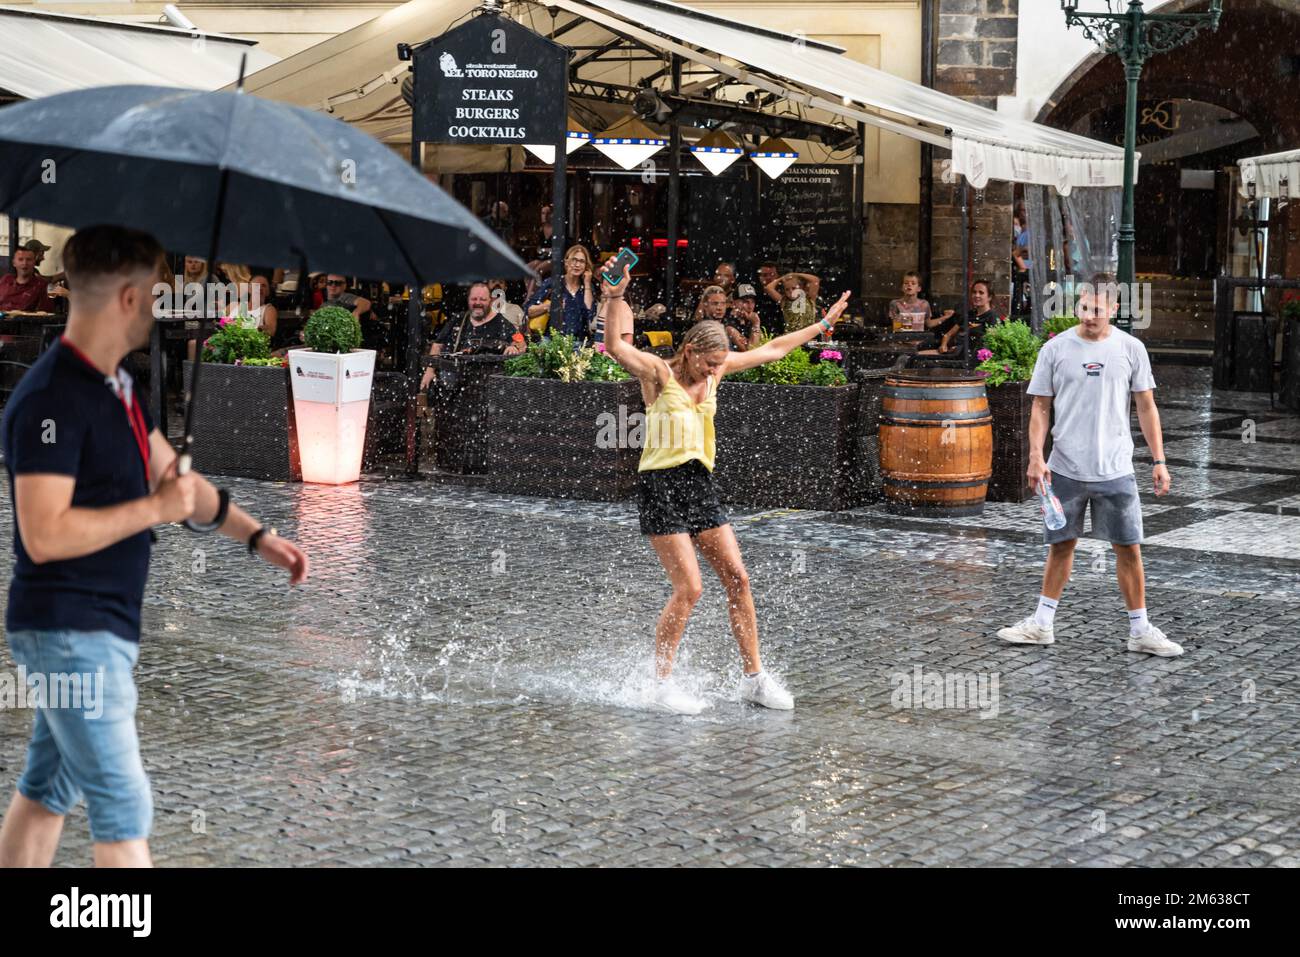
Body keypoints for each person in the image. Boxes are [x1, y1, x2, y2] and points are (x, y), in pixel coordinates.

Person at [0, 225, 310, 868]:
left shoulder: (117, 387)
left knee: (47, 790)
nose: (163, 303)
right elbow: (45, 533)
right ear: (128, 298)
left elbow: (179, 484)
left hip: (92, 626)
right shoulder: (50, 398)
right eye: (154, 291)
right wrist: (152, 509)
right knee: (122, 803)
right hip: (68, 629)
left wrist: (258, 536)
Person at [603, 261, 852, 715]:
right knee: (690, 589)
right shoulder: (660, 375)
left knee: (738, 578)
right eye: (711, 362)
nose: (716, 370)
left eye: (721, 365)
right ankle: (660, 685)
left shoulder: (715, 372)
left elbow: (775, 348)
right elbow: (616, 346)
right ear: (692, 349)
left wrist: (823, 323)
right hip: (661, 486)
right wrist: (615, 296)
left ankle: (754, 679)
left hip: (700, 484)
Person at [998, 275, 1180, 657]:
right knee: (1060, 546)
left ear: (1114, 309)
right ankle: (1042, 624)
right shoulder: (1056, 349)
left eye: (1098, 309)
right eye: (1084, 307)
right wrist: (1035, 456)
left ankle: (1140, 629)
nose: (1090, 316)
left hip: (1116, 469)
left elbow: (1146, 407)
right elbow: (1040, 407)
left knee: (1128, 548)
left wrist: (1159, 460)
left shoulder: (1131, 349)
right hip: (1065, 468)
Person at [419, 281, 522, 390]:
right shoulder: (459, 319)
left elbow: (520, 342)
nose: (478, 303)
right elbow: (438, 344)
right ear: (468, 300)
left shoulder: (502, 322)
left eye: (482, 299)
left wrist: (513, 346)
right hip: (457, 383)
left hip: (488, 384)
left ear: (490, 300)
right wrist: (429, 372)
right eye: (474, 299)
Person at [523, 244, 596, 341]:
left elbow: (590, 314)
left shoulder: (588, 287)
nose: (577, 264)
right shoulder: (553, 283)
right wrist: (550, 306)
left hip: (579, 343)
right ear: (566, 262)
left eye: (582, 261)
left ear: (586, 266)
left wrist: (587, 283)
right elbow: (528, 310)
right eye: (574, 260)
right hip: (551, 342)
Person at [917, 279, 1000, 357]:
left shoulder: (992, 317)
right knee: (915, 356)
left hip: (969, 358)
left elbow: (989, 344)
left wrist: (962, 348)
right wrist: (943, 345)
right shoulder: (969, 314)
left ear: (989, 297)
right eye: (974, 292)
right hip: (953, 352)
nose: (976, 295)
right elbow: (948, 335)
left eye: (981, 293)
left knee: (919, 360)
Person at [0, 246, 52, 312]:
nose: (24, 263)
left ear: (34, 263)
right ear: (14, 263)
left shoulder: (41, 286)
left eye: (29, 260)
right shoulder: (5, 280)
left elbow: (45, 315)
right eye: (20, 259)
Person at [724, 283, 762, 352]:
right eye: (745, 302)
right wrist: (756, 324)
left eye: (752, 302)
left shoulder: (750, 320)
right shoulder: (729, 325)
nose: (750, 306)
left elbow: (763, 343)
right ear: (734, 303)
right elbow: (751, 352)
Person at [754, 262, 786, 335]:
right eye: (765, 275)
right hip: (759, 334)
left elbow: (785, 304)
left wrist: (770, 289)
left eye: (772, 275)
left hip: (780, 334)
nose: (768, 278)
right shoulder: (754, 294)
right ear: (759, 277)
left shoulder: (786, 292)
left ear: (778, 276)